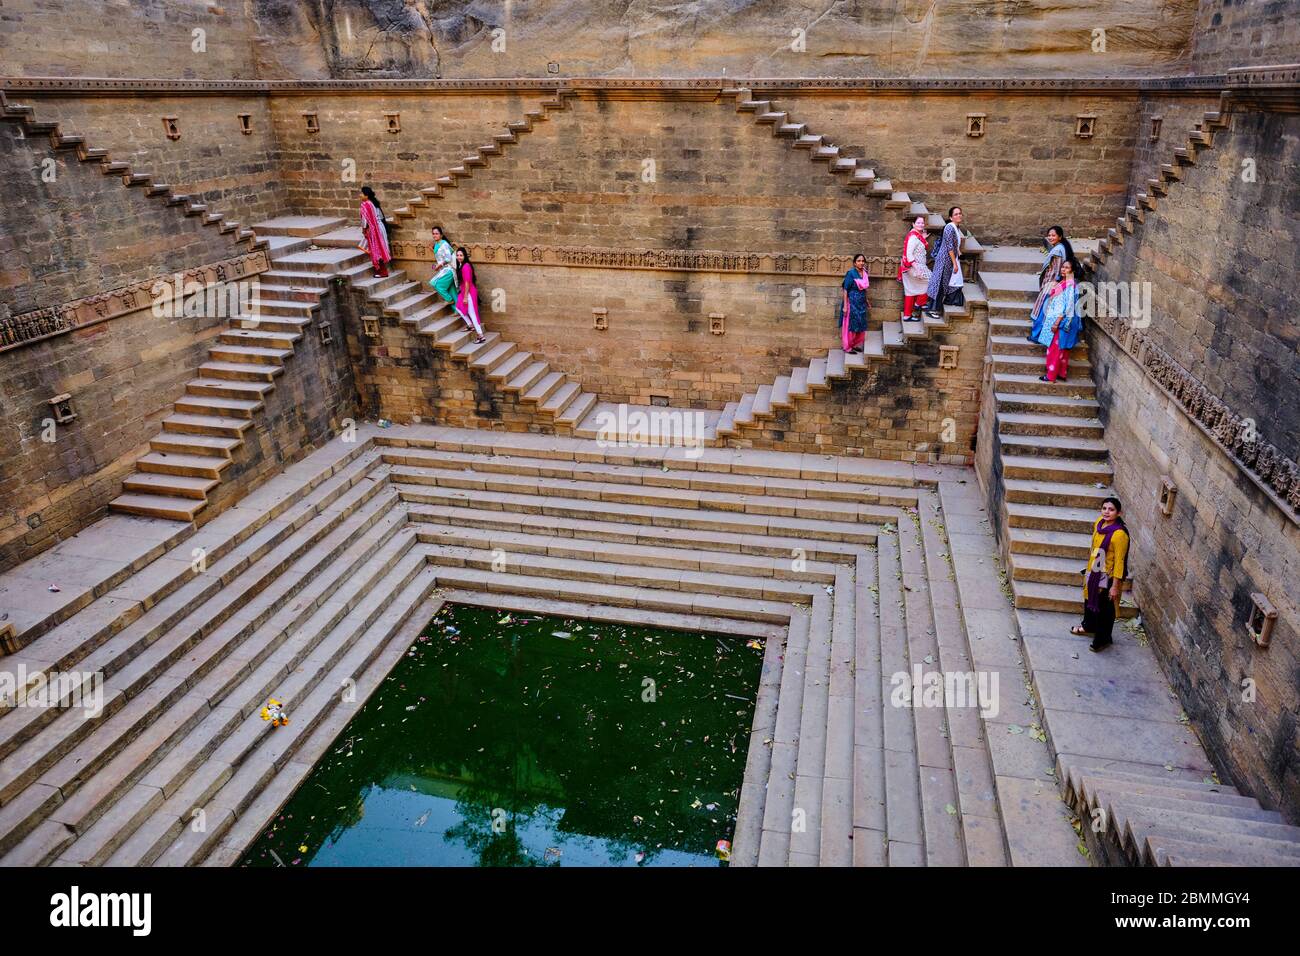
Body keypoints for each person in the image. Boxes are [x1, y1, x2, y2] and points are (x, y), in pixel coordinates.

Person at [1071, 497, 1129, 652]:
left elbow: (1120, 562)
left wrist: (1115, 586)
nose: (1106, 512)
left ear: (1118, 513)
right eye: (1104, 508)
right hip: (1094, 571)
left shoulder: (1119, 535)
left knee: (1105, 609)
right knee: (1089, 600)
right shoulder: (1099, 523)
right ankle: (1088, 626)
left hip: (1108, 576)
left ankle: (1103, 639)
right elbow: (1094, 547)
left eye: (1111, 509)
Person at [1035, 258, 1082, 383]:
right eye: (1062, 267)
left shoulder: (1070, 285)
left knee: (1055, 349)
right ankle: (1061, 373)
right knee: (1063, 348)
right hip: (1060, 319)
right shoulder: (1065, 282)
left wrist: (1057, 322)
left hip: (1062, 321)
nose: (1063, 269)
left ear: (1072, 270)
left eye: (1067, 267)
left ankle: (1051, 376)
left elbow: (1068, 306)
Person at [1028, 226, 1075, 342]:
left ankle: (1036, 336)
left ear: (1060, 237)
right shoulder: (1061, 247)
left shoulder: (1058, 250)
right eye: (1049, 235)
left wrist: (1052, 283)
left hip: (1052, 283)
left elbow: (1057, 269)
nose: (1050, 237)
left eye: (1053, 235)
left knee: (1042, 311)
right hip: (1054, 283)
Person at [922, 207, 963, 320]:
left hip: (947, 259)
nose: (959, 215)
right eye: (956, 214)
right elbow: (949, 247)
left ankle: (933, 307)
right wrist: (955, 263)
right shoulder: (950, 228)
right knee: (939, 284)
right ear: (951, 217)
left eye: (960, 213)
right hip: (945, 260)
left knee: (941, 283)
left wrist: (958, 251)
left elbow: (953, 244)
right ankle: (932, 309)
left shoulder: (955, 227)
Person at [899, 216, 931, 322]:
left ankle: (907, 315)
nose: (921, 225)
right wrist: (917, 269)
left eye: (922, 223)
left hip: (910, 267)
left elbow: (917, 247)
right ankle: (920, 303)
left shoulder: (917, 236)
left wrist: (923, 238)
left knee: (910, 290)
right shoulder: (913, 237)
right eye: (918, 223)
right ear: (913, 224)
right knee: (932, 280)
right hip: (913, 267)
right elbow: (909, 254)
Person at [839, 253, 870, 354]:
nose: (861, 263)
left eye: (862, 261)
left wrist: (866, 300)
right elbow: (845, 289)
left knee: (860, 323)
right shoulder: (851, 273)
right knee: (851, 325)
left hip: (861, 302)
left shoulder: (864, 273)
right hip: (851, 302)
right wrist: (845, 307)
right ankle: (847, 347)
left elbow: (864, 289)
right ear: (854, 263)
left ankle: (854, 344)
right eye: (859, 261)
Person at [358, 186, 391, 278]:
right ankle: (381, 270)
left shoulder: (365, 205)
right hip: (380, 227)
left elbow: (365, 220)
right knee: (380, 248)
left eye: (361, 193)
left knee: (376, 249)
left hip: (373, 230)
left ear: (366, 195)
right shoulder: (373, 203)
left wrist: (364, 229)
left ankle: (383, 272)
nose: (360, 195)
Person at [454, 246, 485, 343]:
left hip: (469, 293)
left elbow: (467, 282)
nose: (459, 257)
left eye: (461, 255)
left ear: (465, 256)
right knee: (458, 307)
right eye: (457, 255)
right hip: (464, 291)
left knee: (472, 313)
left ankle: (480, 335)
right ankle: (470, 325)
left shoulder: (466, 266)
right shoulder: (461, 265)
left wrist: (466, 297)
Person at [429, 225, 457, 309]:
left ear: (441, 235)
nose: (434, 235)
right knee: (451, 290)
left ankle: (449, 299)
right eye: (433, 234)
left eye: (437, 233)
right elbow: (439, 256)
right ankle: (457, 310)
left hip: (449, 270)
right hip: (444, 270)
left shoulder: (444, 244)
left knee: (435, 283)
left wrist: (439, 265)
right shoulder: (437, 244)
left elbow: (448, 258)